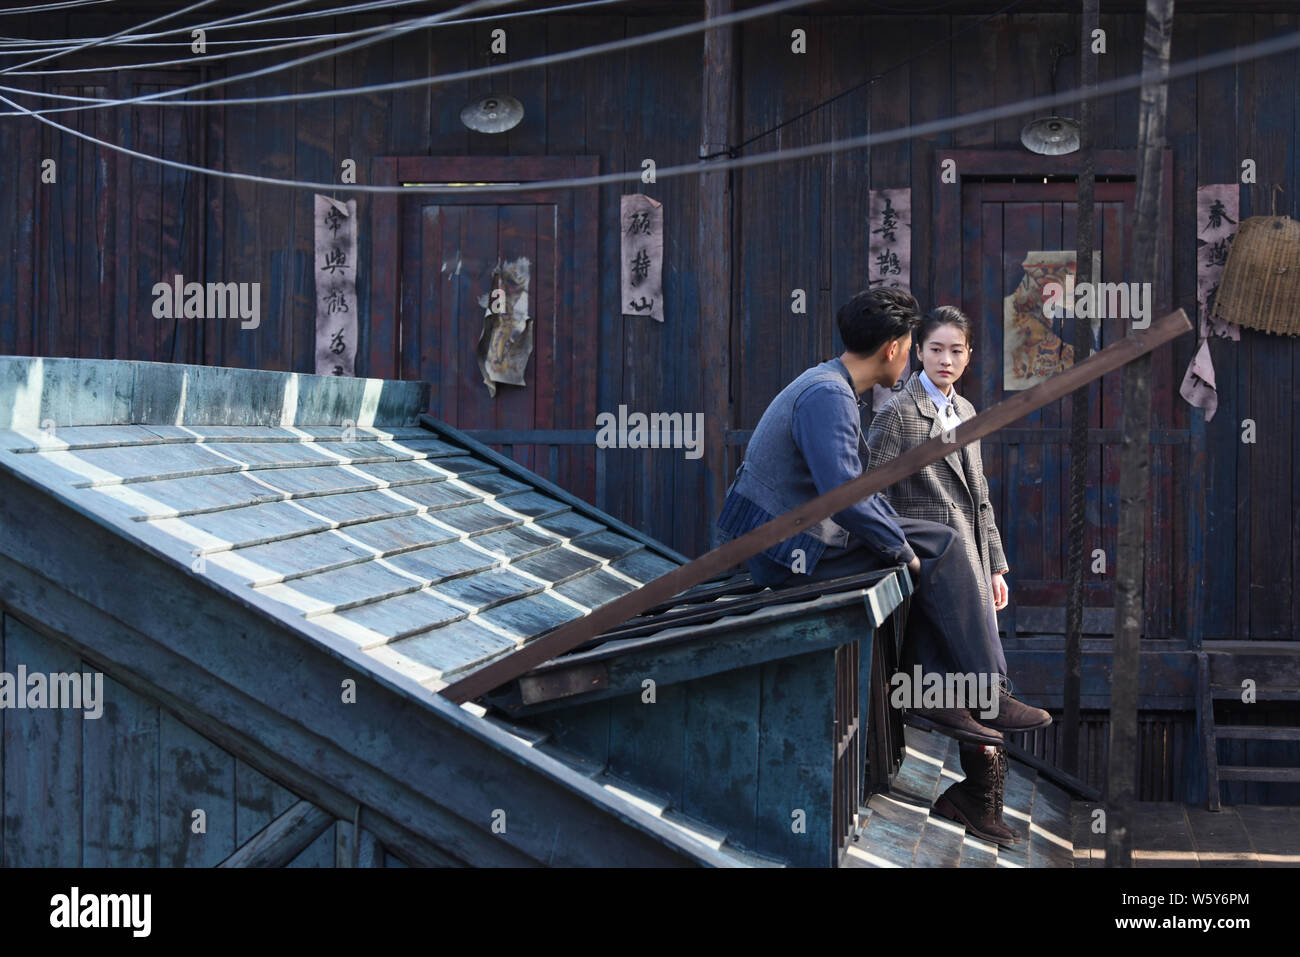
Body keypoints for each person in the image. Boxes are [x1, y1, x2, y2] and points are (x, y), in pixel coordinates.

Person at [714, 288, 1050, 763]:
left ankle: (952, 694)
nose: (922, 355)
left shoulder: (829, 384)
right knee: (932, 552)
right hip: (789, 554)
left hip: (803, 538)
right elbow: (846, 494)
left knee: (940, 545)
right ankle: (978, 692)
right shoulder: (829, 396)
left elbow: (853, 490)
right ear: (894, 348)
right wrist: (901, 548)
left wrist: (903, 543)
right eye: (917, 342)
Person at [866, 304, 1026, 846]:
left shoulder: (967, 409)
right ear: (918, 349)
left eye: (957, 350)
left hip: (973, 566)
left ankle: (979, 799)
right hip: (931, 571)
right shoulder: (898, 413)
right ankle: (977, 800)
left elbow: (979, 498)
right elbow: (869, 490)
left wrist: (998, 562)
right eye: (935, 348)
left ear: (969, 355)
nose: (947, 359)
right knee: (971, 681)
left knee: (978, 681)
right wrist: (896, 553)